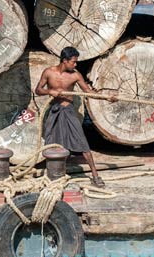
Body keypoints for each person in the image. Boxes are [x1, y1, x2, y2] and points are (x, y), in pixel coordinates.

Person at [34, 47, 106, 187]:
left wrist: (106, 98)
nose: (76, 64)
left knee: (82, 142)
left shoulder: (75, 75)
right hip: (54, 111)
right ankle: (54, 175)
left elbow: (88, 92)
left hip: (68, 110)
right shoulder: (49, 72)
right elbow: (38, 90)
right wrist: (50, 91)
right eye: (73, 62)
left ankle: (95, 175)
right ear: (65, 61)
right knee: (51, 142)